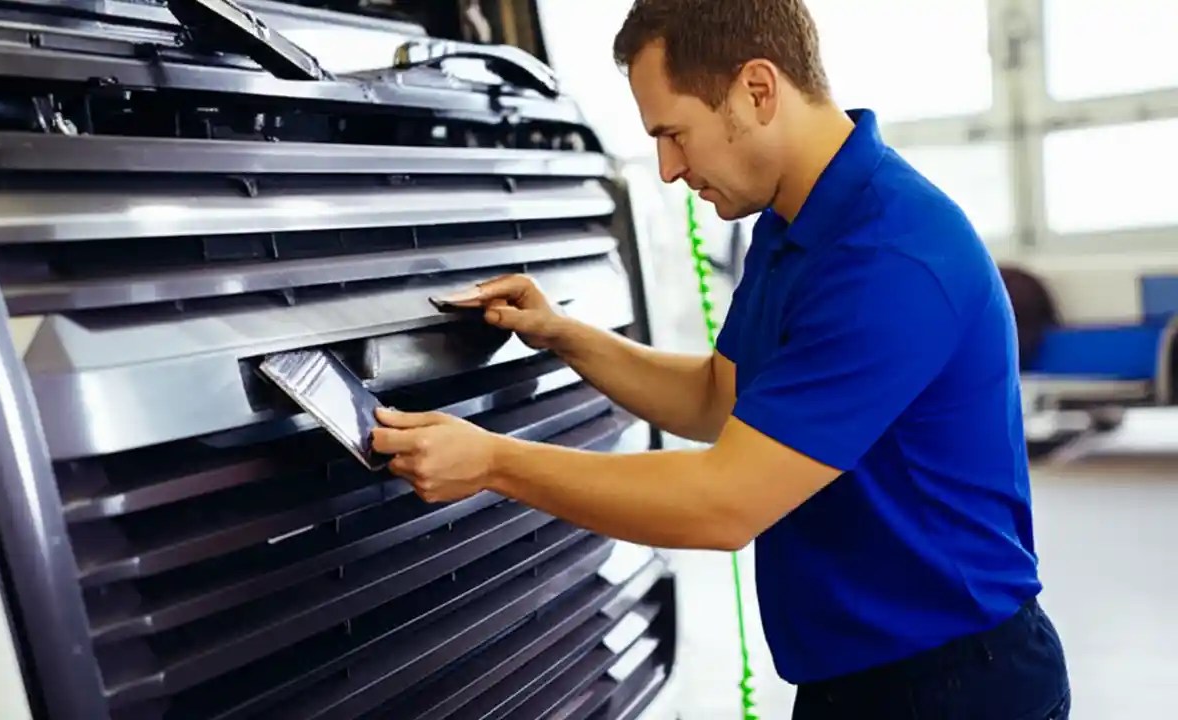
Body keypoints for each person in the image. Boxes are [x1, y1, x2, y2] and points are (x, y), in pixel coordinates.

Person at [372, 0, 1071, 717]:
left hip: (956, 686)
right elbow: (719, 397)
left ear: (757, 90)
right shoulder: (792, 218)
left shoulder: (888, 257)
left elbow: (723, 503)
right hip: (855, 677)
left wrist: (493, 462)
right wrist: (561, 334)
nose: (669, 169)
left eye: (675, 134)